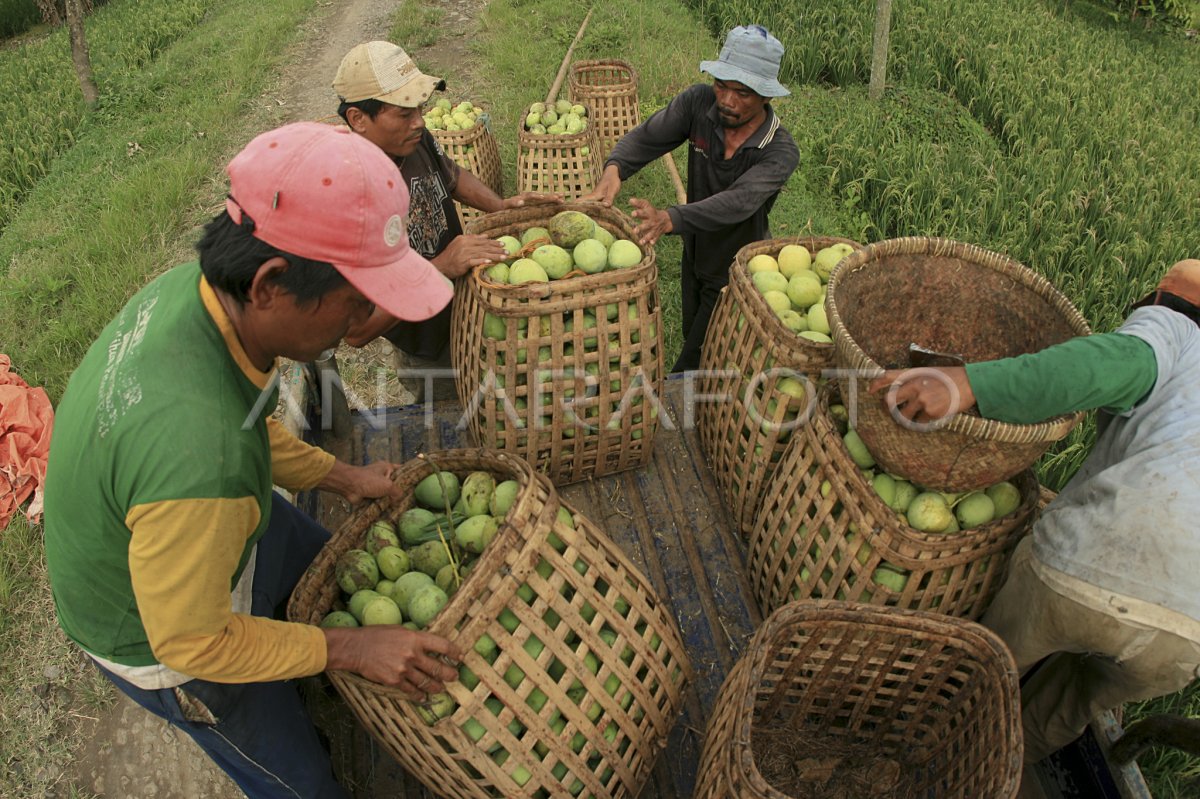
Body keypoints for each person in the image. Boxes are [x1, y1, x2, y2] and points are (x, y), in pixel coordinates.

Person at [42, 122, 464, 799]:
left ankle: (307, 646)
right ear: (270, 284)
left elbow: (247, 424)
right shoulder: (202, 465)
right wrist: (349, 647)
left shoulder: (199, 295)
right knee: (302, 784)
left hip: (190, 514)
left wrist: (344, 477)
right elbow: (193, 642)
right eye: (356, 300)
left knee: (328, 572)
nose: (363, 321)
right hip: (157, 634)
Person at [868, 259, 1200, 765]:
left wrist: (969, 383)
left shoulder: (1176, 329)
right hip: (1184, 636)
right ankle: (981, 774)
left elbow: (1107, 366)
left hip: (1093, 565)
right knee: (1052, 717)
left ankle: (903, 755)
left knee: (977, 672)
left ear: (1160, 300)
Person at [333, 40, 559, 400]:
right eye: (404, 113)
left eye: (420, 108)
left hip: (462, 312)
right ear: (358, 119)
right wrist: (439, 267)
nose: (419, 121)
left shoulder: (413, 139)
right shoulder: (349, 197)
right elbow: (358, 332)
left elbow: (450, 175)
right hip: (426, 345)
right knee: (452, 413)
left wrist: (501, 206)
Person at [581, 25, 799, 372]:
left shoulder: (779, 150)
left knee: (696, 359)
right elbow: (649, 137)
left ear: (766, 96)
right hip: (695, 252)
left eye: (742, 93)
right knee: (692, 332)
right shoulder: (699, 103)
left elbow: (739, 201)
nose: (727, 100)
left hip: (736, 267)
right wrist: (614, 170)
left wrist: (671, 218)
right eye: (721, 85)